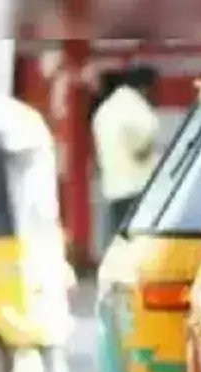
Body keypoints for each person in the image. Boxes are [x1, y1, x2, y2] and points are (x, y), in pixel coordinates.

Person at [89, 65, 160, 244]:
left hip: (114, 189)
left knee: (119, 246)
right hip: (138, 189)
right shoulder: (135, 108)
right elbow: (140, 147)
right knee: (139, 246)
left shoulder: (105, 109)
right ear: (146, 87)